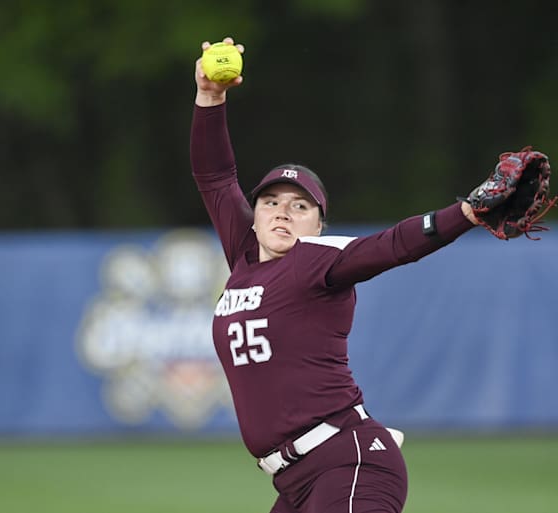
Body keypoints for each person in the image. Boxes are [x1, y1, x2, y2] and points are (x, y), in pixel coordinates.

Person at [191, 37, 481, 513]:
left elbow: (394, 245)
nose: (282, 212)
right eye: (270, 202)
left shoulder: (319, 261)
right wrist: (210, 98)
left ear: (319, 225)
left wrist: (465, 213)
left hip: (349, 465)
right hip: (294, 482)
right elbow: (215, 177)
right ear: (256, 214)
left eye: (299, 206)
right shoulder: (245, 255)